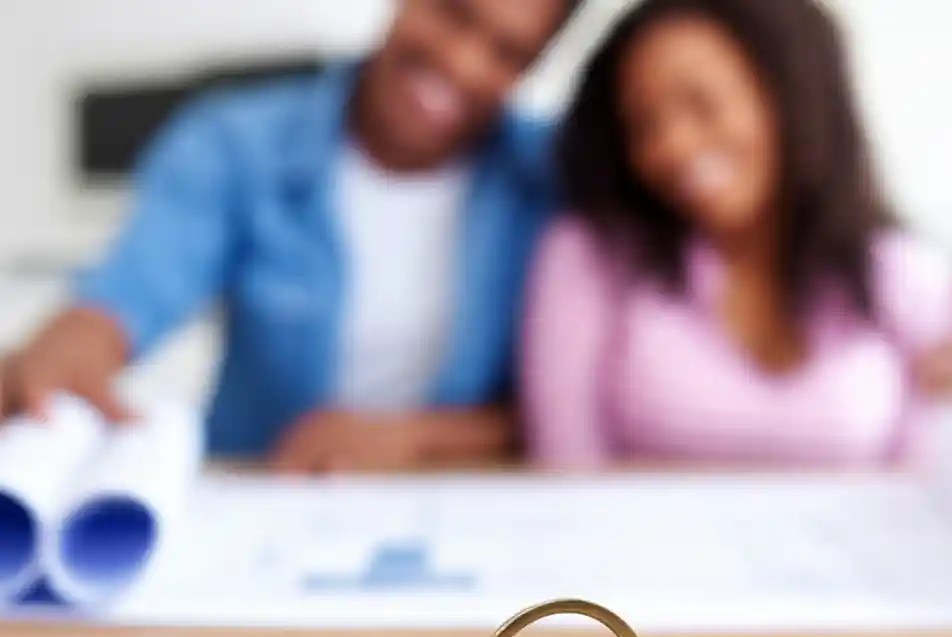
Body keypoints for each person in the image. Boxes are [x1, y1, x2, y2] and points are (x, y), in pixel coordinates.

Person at [0, 0, 583, 473]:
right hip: (261, 494)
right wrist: (77, 340)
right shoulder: (237, 141)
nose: (462, 62)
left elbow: (575, 405)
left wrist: (416, 440)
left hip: (462, 512)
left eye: (509, 53)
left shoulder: (552, 178)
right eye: (452, 13)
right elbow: (139, 281)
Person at [522, 0, 952, 469]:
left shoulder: (901, 274)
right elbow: (567, 470)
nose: (670, 147)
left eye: (702, 105)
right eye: (643, 124)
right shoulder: (591, 256)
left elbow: (927, 471)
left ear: (790, 95)